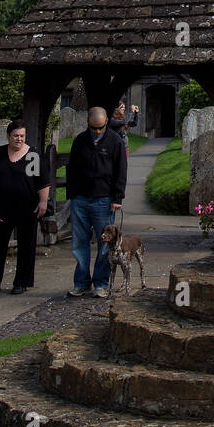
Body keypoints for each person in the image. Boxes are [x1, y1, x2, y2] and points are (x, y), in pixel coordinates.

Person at [0, 119, 48, 296]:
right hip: (1, 208)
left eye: (22, 136)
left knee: (26, 246)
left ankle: (21, 282)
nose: (19, 139)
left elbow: (41, 182)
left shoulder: (32, 155)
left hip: (27, 208)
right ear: (8, 136)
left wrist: (43, 202)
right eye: (15, 136)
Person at [65, 106, 127, 299]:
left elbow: (121, 171)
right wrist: (72, 194)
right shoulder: (80, 141)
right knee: (79, 242)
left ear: (106, 122)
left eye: (101, 127)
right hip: (81, 198)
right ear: (88, 124)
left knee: (104, 244)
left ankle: (100, 283)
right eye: (94, 128)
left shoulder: (115, 142)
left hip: (104, 199)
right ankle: (81, 282)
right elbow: (72, 169)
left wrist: (117, 198)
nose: (98, 131)